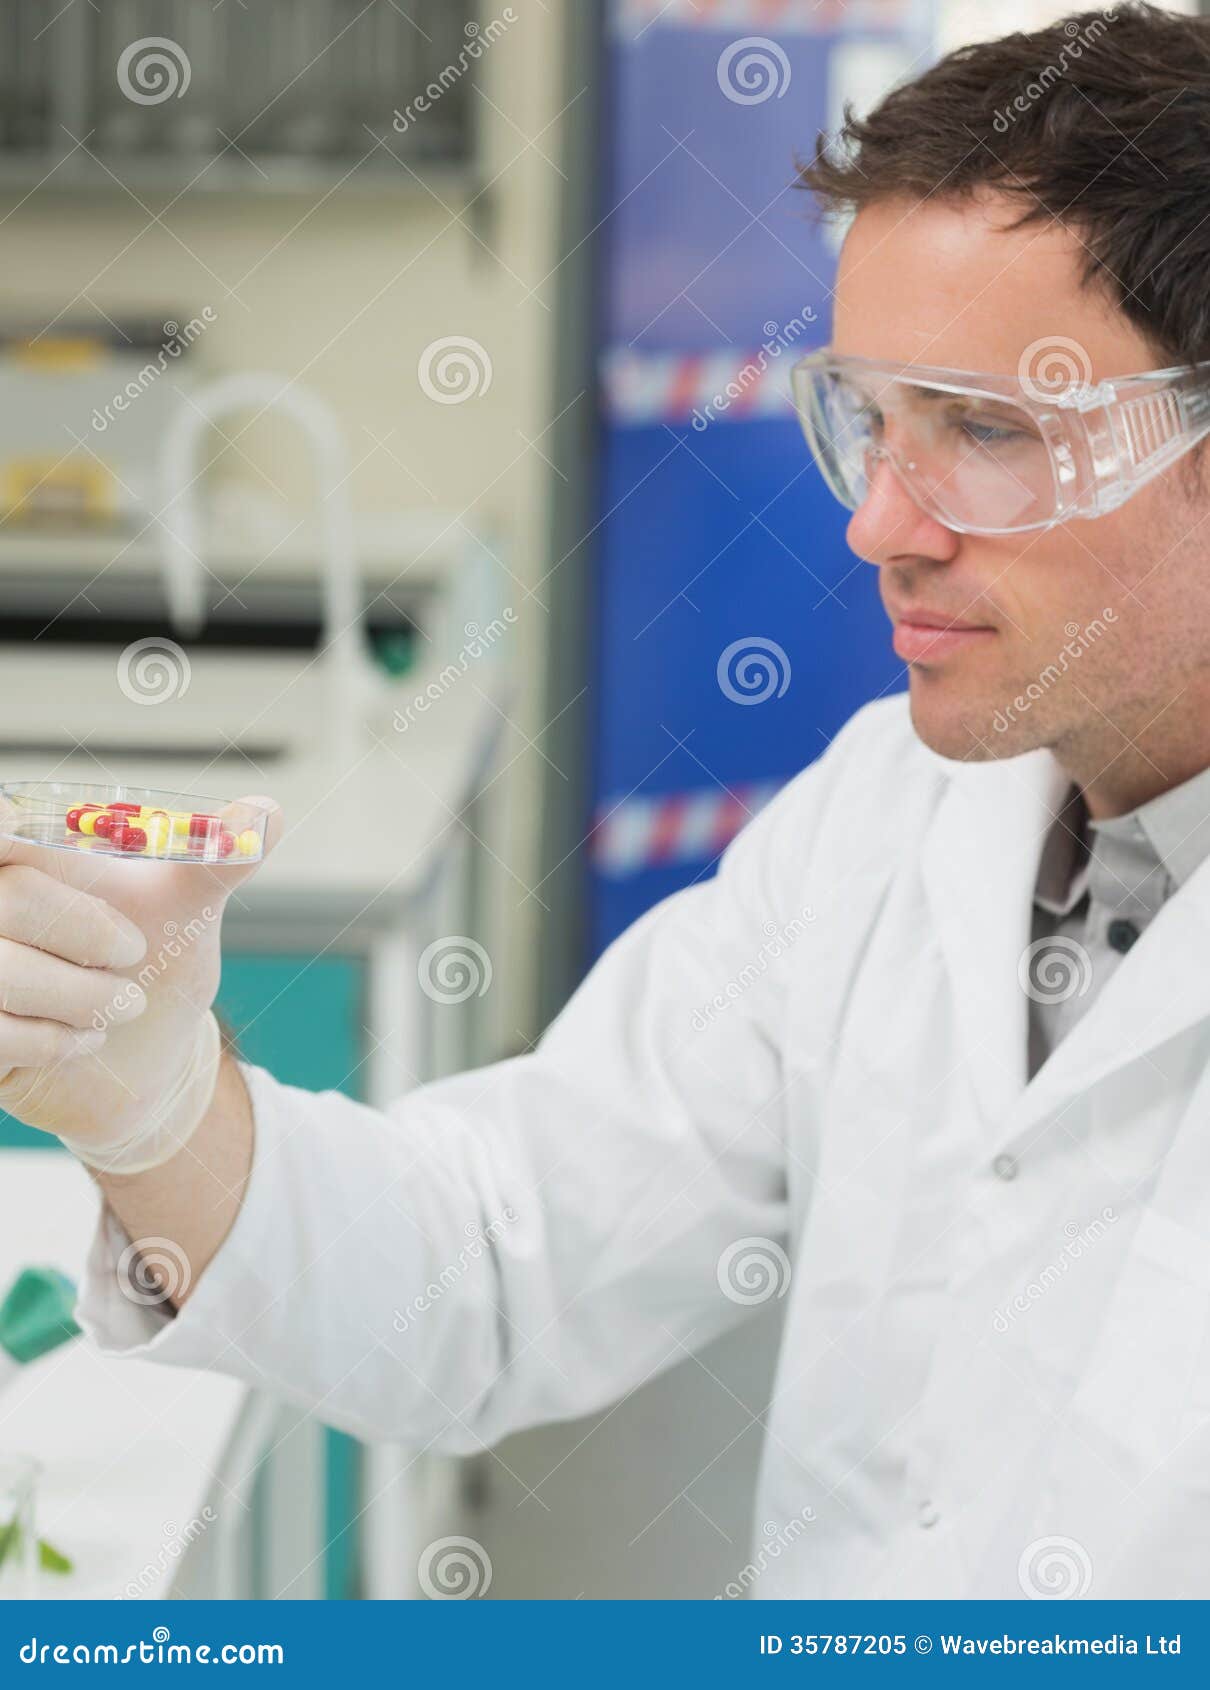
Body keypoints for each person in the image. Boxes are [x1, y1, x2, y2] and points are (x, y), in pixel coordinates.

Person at [2, 2, 1209, 1599]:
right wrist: (151, 1105)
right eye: (872, 427)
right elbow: (496, 1261)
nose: (879, 532)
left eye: (985, 431)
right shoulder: (881, 822)